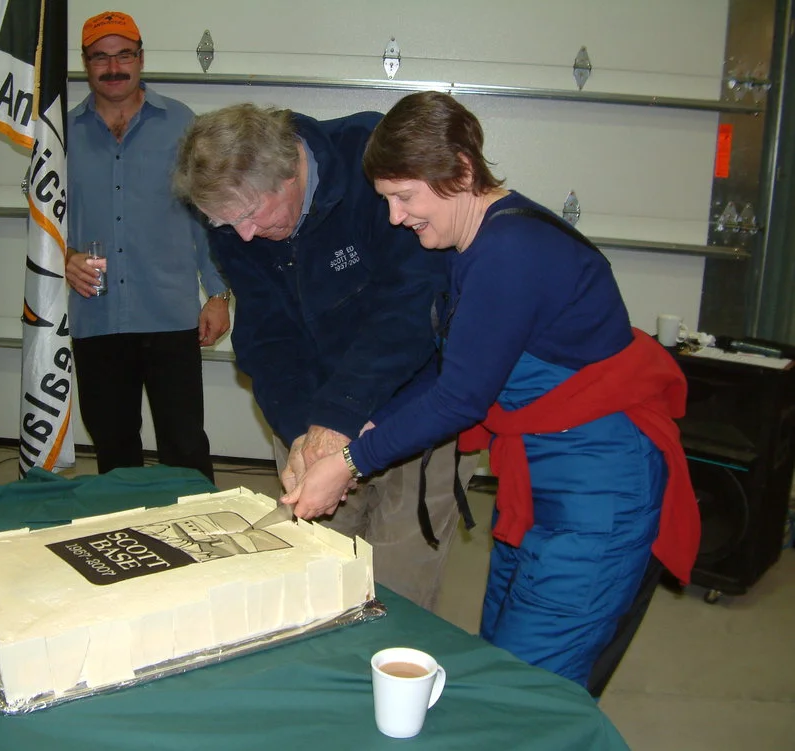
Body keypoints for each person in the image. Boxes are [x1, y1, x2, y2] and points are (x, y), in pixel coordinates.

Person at [281, 91, 700, 695]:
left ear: (462, 172)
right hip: (543, 478)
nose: (396, 218)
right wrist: (368, 430)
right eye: (387, 201)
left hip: (597, 488)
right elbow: (454, 365)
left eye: (405, 197)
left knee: (532, 686)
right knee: (503, 659)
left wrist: (347, 461)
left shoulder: (510, 250)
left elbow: (460, 399)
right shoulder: (474, 245)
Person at [173, 103, 480, 612]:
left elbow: (414, 309)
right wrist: (300, 432)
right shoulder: (234, 213)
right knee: (316, 579)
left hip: (415, 408)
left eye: (251, 215)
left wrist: (336, 421)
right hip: (316, 412)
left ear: (290, 170)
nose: (243, 235)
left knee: (395, 588)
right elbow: (268, 337)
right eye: (224, 223)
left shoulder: (376, 165)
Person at [65, 11, 229, 482]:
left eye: (123, 55)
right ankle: (125, 543)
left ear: (141, 59)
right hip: (96, 316)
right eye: (100, 57)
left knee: (185, 445)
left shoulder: (181, 124)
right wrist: (65, 258)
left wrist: (218, 294)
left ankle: (200, 544)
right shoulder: (60, 132)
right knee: (114, 448)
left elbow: (208, 216)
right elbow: (44, 218)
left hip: (169, 316)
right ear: (85, 62)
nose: (113, 66)